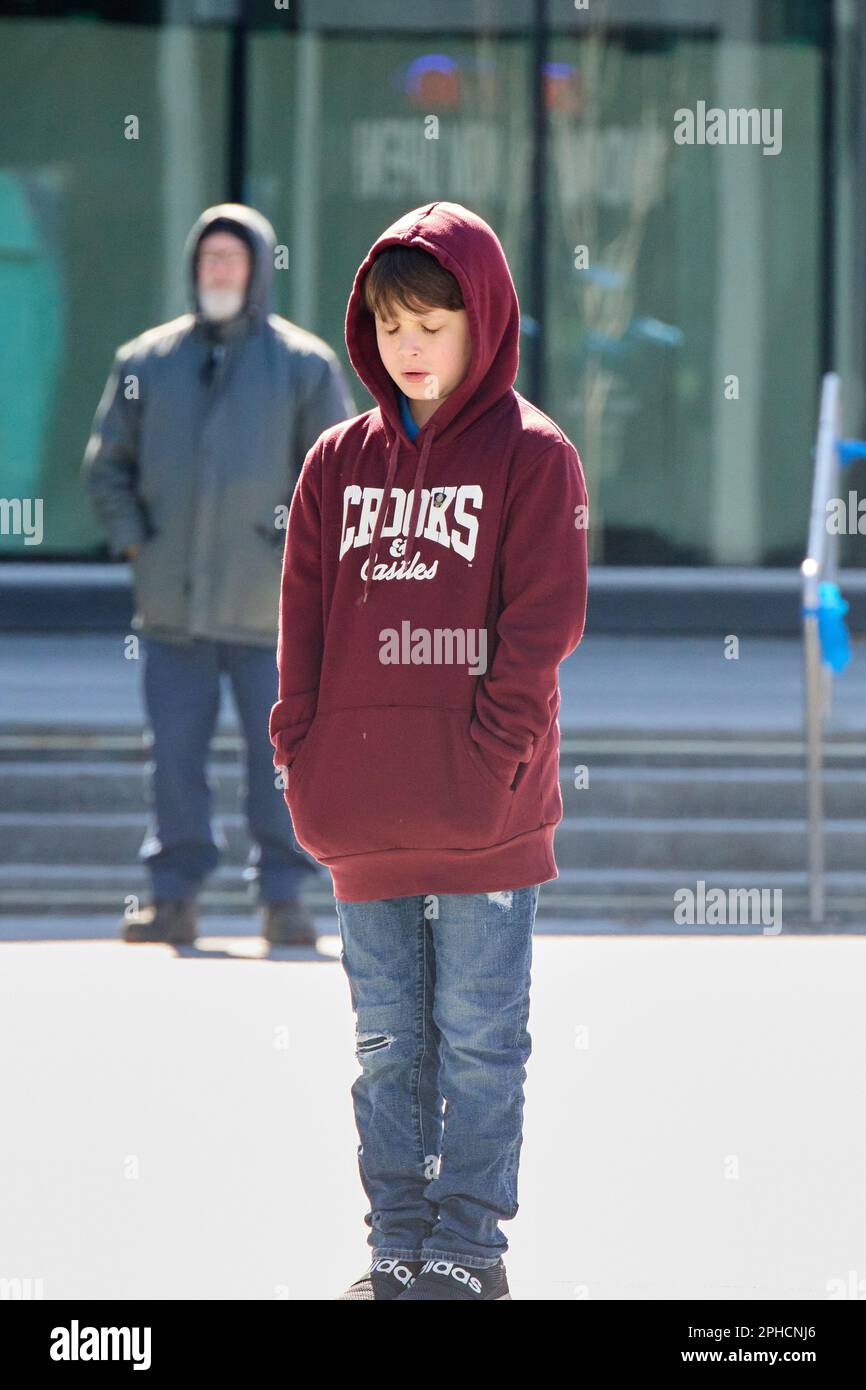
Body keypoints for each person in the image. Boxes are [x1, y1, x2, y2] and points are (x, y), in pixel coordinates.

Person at [269, 201, 589, 1299]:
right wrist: (296, 752)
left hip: (485, 822)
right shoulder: (334, 463)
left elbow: (542, 626)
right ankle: (395, 1245)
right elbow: (301, 624)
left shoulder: (535, 457)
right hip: (362, 817)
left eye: (430, 325)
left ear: (482, 321)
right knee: (386, 1051)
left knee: (479, 1045)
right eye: (388, 324)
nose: (407, 347)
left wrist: (491, 756)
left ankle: (466, 1251)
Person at [82, 203, 355, 948]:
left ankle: (283, 900)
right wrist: (138, 545)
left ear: (259, 271)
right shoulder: (147, 363)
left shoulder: (303, 367)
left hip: (269, 616)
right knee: (172, 761)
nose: (219, 273)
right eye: (208, 261)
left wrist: (293, 556)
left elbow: (338, 483)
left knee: (281, 767)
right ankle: (173, 897)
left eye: (233, 261)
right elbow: (107, 466)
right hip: (171, 613)